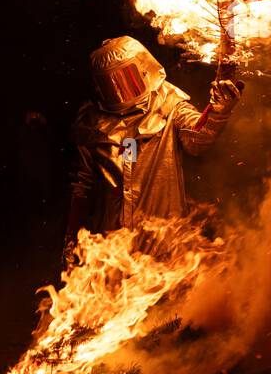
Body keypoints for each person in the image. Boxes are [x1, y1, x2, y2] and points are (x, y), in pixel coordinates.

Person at [65, 37, 242, 246]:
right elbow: (82, 186)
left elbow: (197, 139)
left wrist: (218, 109)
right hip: (112, 246)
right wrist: (71, 238)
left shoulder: (169, 104)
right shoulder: (92, 123)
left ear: (144, 69)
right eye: (110, 83)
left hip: (162, 240)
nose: (120, 90)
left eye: (126, 78)